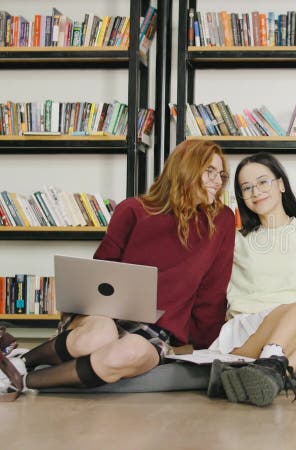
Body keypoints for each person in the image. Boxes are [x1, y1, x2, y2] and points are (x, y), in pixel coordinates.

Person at [0, 140, 235, 397]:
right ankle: (21, 361)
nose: (218, 180)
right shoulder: (133, 210)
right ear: (185, 169)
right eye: (209, 171)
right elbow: (100, 274)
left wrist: (201, 348)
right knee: (98, 337)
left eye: (221, 174)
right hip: (105, 314)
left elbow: (212, 292)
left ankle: (23, 381)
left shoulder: (221, 221)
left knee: (129, 352)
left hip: (157, 330)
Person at [205, 153, 296, 407]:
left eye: (263, 182)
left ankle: (272, 372)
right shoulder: (237, 240)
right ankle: (271, 363)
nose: (256, 192)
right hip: (253, 331)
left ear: (281, 184)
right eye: (246, 188)